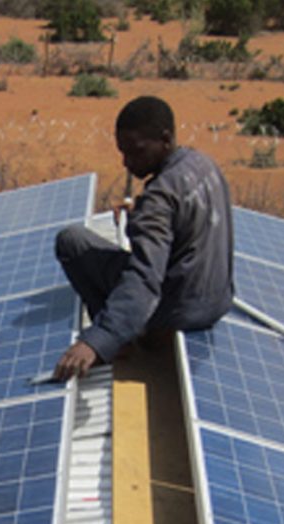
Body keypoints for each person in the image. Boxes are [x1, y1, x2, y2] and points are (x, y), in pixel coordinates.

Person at [53, 95, 234, 381]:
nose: (127, 162)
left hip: (177, 310)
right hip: (215, 302)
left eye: (135, 151)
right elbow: (188, 220)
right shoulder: (203, 164)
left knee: (72, 241)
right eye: (122, 152)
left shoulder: (159, 199)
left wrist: (99, 339)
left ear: (164, 139)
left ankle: (121, 343)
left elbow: (145, 278)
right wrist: (141, 213)